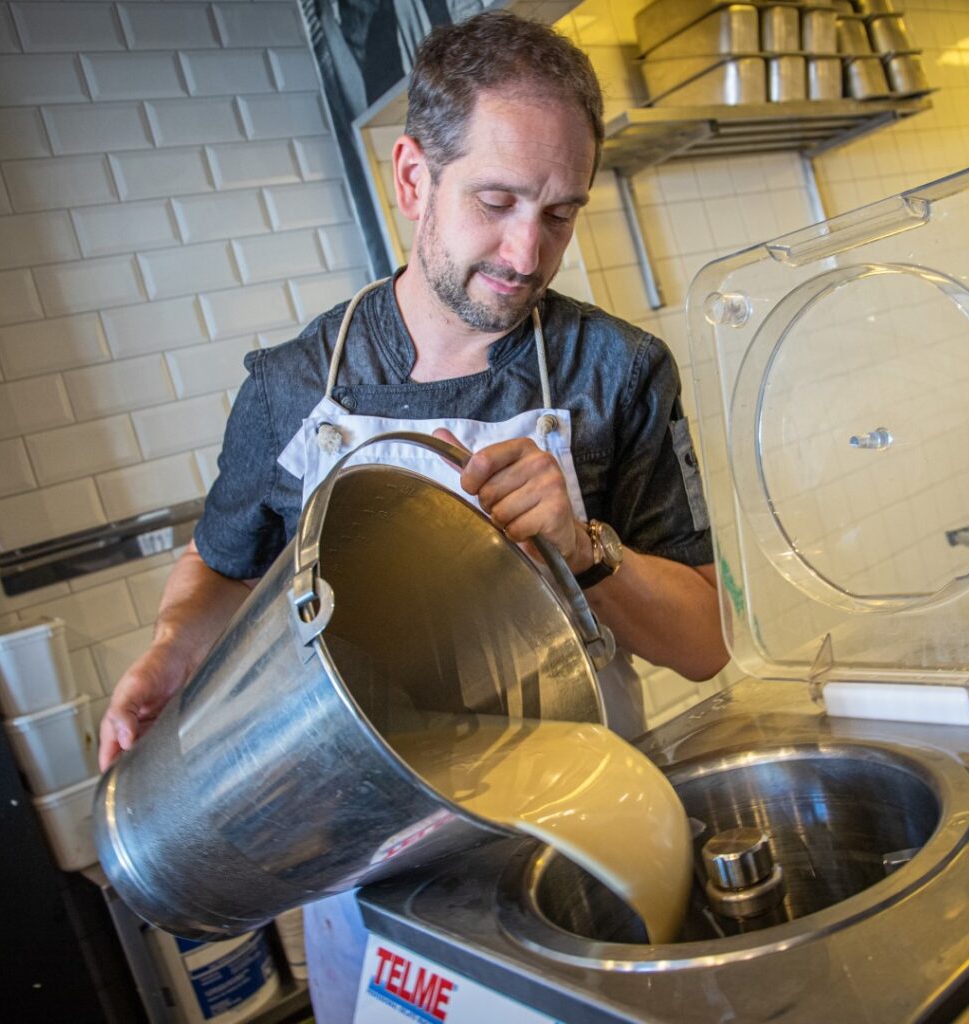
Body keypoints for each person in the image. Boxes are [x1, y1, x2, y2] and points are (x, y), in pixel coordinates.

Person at [98, 10, 729, 1020]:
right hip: (371, 861)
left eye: (560, 212)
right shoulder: (297, 386)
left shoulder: (617, 374)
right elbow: (221, 566)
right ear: (410, 178)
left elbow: (701, 642)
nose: (528, 253)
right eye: (496, 201)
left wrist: (584, 544)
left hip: (570, 841)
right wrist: (169, 655)